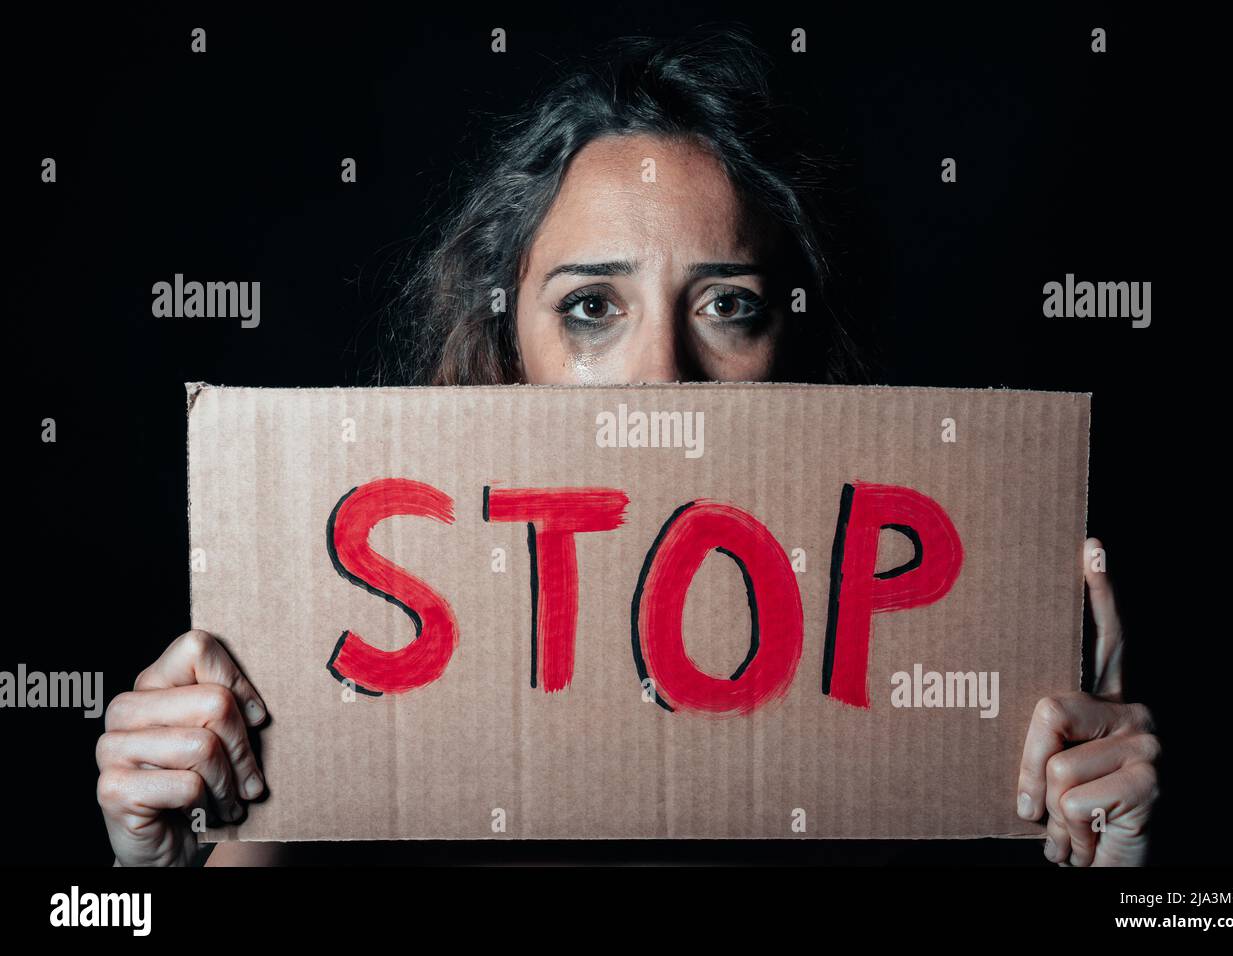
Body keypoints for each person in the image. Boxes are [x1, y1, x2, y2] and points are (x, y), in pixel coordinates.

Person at [95, 27, 1159, 867]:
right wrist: (154, 865)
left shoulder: (922, 732)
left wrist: (1105, 864)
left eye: (728, 303)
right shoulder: (346, 683)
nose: (662, 371)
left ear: (796, 343)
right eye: (593, 305)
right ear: (508, 342)